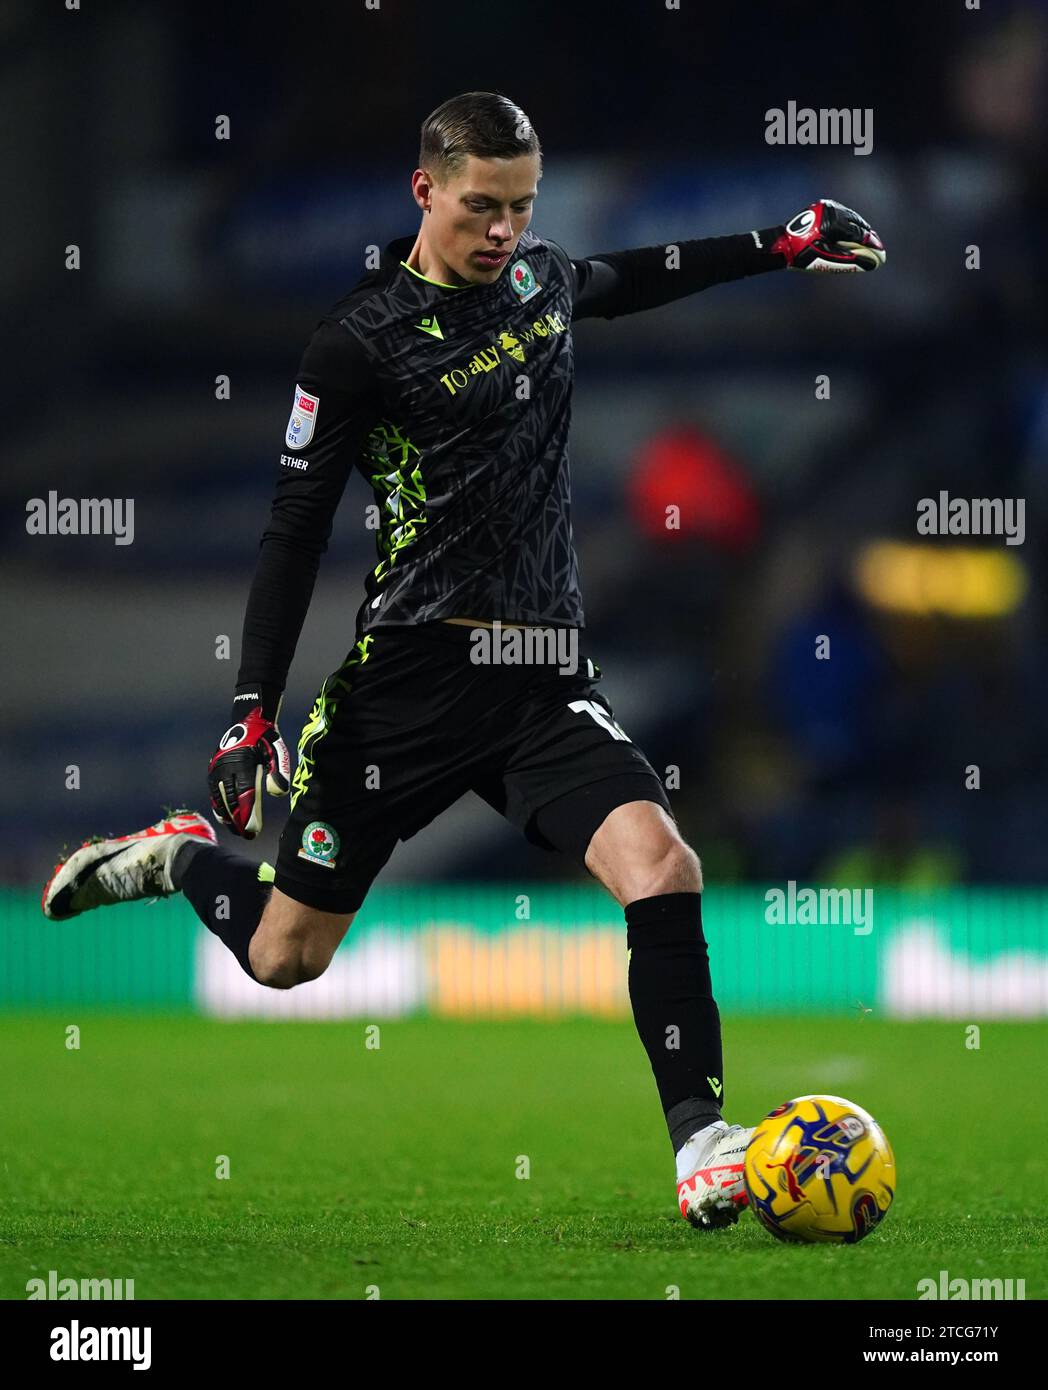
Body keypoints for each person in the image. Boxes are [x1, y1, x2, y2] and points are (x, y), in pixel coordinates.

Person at [42, 91, 885, 1229]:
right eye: (482, 206)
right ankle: (180, 862)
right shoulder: (355, 345)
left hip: (541, 680)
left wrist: (776, 244)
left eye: (521, 207)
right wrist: (249, 708)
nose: (502, 231)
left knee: (664, 864)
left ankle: (701, 1141)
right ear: (425, 190)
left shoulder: (539, 282)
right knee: (286, 959)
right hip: (407, 685)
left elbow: (633, 275)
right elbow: (292, 532)